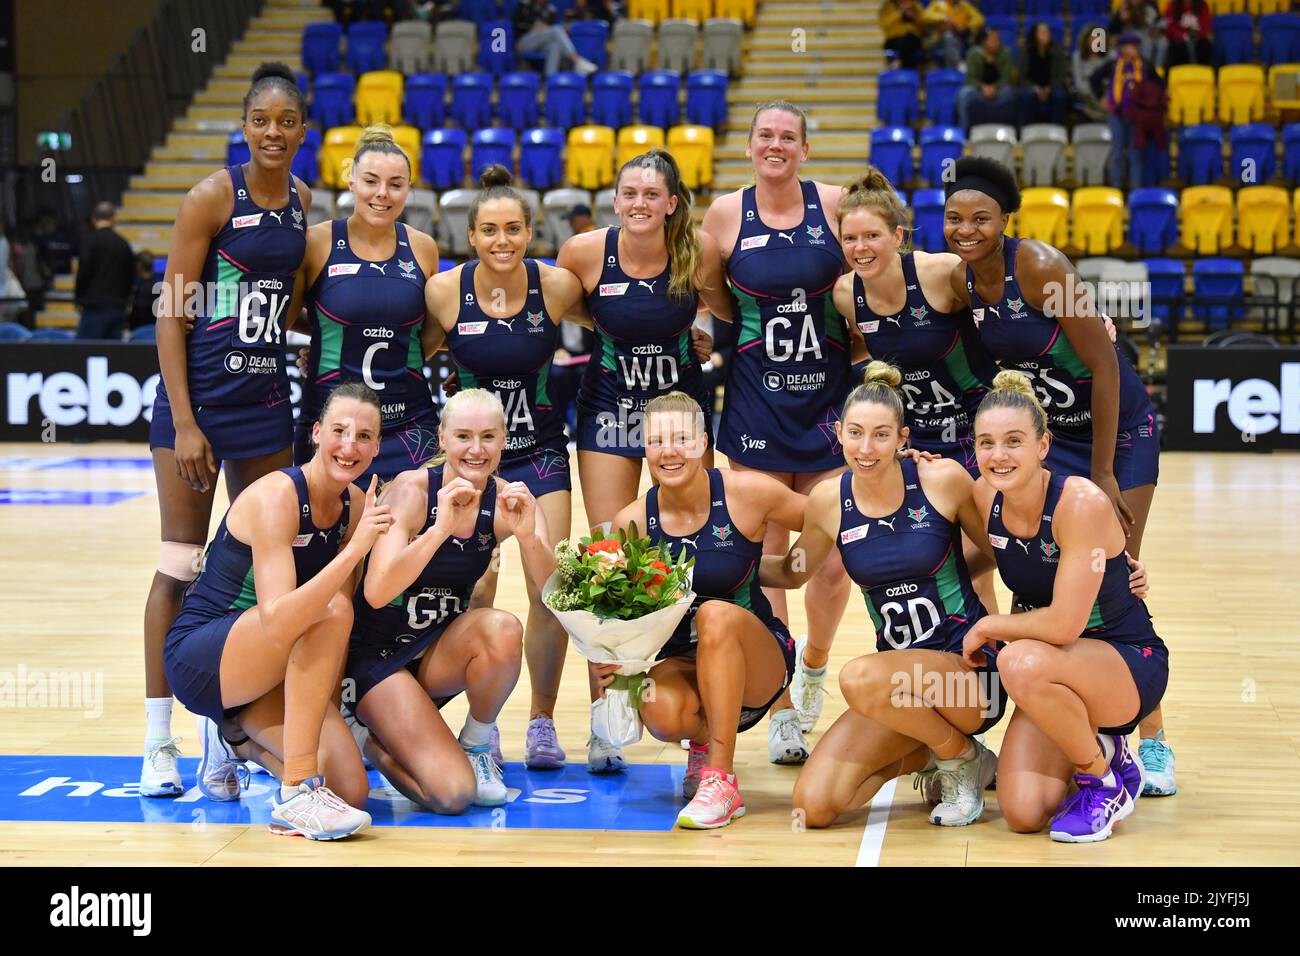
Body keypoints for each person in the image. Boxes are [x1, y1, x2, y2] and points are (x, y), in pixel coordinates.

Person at [944, 157, 1176, 795]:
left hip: (1115, 432)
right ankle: (1063, 701)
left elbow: (1105, 364)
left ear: (1005, 221)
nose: (967, 229)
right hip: (1050, 434)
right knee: (1046, 574)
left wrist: (1102, 469)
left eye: (981, 218)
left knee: (1120, 573)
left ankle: (1151, 739)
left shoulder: (1042, 267)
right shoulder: (963, 285)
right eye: (955, 218)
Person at [142, 62, 311, 798]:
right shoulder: (211, 197)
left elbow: (297, 306)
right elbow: (170, 310)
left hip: (267, 406)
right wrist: (184, 420)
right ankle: (157, 741)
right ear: (244, 127)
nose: (272, 132)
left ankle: (225, 733)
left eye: (286, 121)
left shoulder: (306, 204)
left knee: (251, 573)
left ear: (303, 131)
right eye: (260, 120)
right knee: (181, 565)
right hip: (201, 408)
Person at [768, 362, 1004, 828]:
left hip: (967, 678)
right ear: (838, 433)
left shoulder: (942, 480)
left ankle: (960, 758)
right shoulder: (827, 499)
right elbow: (794, 573)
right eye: (855, 433)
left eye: (881, 435)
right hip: (896, 690)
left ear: (903, 438)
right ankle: (945, 755)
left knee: (855, 678)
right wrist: (720, 562)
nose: (866, 447)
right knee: (814, 805)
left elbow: (1001, 551)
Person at [556, 149, 726, 770]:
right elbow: (569, 306)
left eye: (652, 194)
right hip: (609, 409)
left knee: (684, 554)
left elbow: (728, 309)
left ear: (672, 203)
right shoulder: (584, 252)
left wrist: (696, 338)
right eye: (629, 192)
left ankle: (696, 719)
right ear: (616, 198)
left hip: (678, 413)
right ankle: (606, 718)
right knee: (607, 560)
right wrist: (611, 328)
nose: (638, 203)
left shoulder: (699, 250)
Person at [164, 382, 389, 840]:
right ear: (316, 433)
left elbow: (330, 629)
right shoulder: (277, 497)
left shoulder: (356, 506)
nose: (349, 446)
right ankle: (294, 793)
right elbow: (283, 619)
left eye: (364, 436)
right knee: (328, 609)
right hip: (204, 657)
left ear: (377, 446)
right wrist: (356, 550)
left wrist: (320, 707)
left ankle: (233, 739)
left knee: (350, 788)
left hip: (273, 664)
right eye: (339, 431)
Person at [699, 101, 854, 764]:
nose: (776, 145)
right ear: (749, 146)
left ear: (805, 148)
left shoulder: (837, 204)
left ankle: (816, 664)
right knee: (764, 562)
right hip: (757, 408)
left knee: (832, 558)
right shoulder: (725, 215)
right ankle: (786, 705)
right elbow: (712, 298)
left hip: (829, 406)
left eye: (788, 136)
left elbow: (873, 278)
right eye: (766, 135)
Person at [424, 164, 587, 770]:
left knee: (552, 585)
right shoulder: (445, 291)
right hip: (471, 460)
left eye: (513, 229)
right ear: (471, 236)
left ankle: (542, 720)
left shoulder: (556, 286)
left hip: (541, 450)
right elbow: (413, 351)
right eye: (489, 230)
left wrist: (693, 341)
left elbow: (614, 324)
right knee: (478, 588)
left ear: (529, 232)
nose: (502, 241)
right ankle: (481, 723)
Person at [963, 371, 1168, 841]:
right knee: (1023, 811)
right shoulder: (984, 493)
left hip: (1124, 660)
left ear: (1043, 445)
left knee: (1017, 656)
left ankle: (1103, 780)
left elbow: (1064, 625)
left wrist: (988, 625)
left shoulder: (1080, 502)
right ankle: (1106, 749)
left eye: (1014, 441)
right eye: (986, 442)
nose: (998, 455)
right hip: (1052, 671)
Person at [601, 392, 805, 829]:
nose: (669, 450)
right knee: (656, 707)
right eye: (657, 440)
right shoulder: (631, 522)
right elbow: (609, 610)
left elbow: (829, 516)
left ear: (703, 442)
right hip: (685, 661)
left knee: (713, 613)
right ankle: (701, 745)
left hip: (758, 665)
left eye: (681, 438)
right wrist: (612, 660)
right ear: (644, 449)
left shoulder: (747, 492)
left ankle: (721, 778)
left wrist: (792, 569)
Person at [347, 388, 555, 810]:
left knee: (503, 628)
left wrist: (530, 536)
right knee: (452, 795)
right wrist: (440, 529)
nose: (475, 450)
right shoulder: (412, 491)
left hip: (434, 655)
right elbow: (377, 590)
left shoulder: (509, 499)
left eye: (488, 437)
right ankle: (363, 733)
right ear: (442, 438)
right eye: (462, 436)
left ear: (504, 439)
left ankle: (477, 745)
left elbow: (555, 596)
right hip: (377, 661)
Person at [832, 169, 1001, 621]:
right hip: (918, 442)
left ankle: (992, 673)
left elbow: (1008, 304)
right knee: (935, 560)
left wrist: (1089, 318)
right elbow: (876, 345)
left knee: (981, 564)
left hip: (977, 434)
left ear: (898, 235)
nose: (860, 248)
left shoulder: (940, 272)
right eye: (850, 238)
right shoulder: (847, 294)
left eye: (872, 235)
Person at [294, 124, 442, 486]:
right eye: (371, 181)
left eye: (396, 184)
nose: (382, 194)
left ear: (409, 188)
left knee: (411, 536)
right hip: (334, 425)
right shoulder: (316, 242)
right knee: (328, 537)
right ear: (351, 182)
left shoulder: (423, 248)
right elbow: (284, 314)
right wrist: (327, 338)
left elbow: (432, 330)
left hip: (409, 426)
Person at [1092, 34, 1166, 190]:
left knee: (1135, 154)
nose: (1133, 50)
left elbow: (1160, 85)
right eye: (1129, 46)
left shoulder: (1146, 66)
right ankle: (1116, 189)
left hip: (1137, 116)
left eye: (1135, 47)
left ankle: (1136, 189)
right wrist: (1101, 98)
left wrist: (1148, 101)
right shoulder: (1113, 65)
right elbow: (1094, 78)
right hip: (1116, 114)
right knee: (1117, 153)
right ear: (1122, 49)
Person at [74, 202, 136, 340]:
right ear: (114, 218)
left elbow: (83, 272)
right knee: (113, 354)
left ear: (93, 219)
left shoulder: (89, 242)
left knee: (85, 354)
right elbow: (130, 276)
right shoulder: (123, 243)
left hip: (93, 306)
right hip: (117, 305)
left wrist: (78, 298)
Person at [514, 0, 599, 75]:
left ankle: (550, 78)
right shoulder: (524, 5)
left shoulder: (551, 9)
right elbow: (516, 24)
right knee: (557, 30)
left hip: (543, 42)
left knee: (555, 45)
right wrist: (532, 26)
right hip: (525, 42)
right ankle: (577, 61)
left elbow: (551, 31)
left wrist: (544, 28)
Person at [958, 27, 1018, 131]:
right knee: (964, 94)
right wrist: (982, 87)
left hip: (999, 90)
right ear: (984, 42)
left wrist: (995, 87)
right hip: (979, 90)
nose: (996, 41)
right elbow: (971, 78)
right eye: (992, 39)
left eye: (997, 39)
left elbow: (1006, 77)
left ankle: (1013, 132)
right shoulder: (974, 54)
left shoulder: (1005, 53)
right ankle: (963, 131)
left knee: (1010, 92)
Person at [1017, 22, 1069, 128]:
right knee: (1028, 95)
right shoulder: (1026, 51)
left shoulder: (1057, 50)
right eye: (1042, 32)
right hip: (1031, 86)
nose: (1046, 34)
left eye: (1047, 31)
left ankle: (1057, 129)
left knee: (1059, 96)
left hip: (1052, 86)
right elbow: (1022, 75)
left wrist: (1049, 88)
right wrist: (1035, 88)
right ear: (1035, 34)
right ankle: (1028, 130)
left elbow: (1060, 75)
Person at [922, 0, 986, 69]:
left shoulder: (964, 5)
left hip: (960, 35)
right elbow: (926, 15)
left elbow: (979, 19)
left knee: (978, 37)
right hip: (941, 37)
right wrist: (945, 18)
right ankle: (957, 67)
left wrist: (966, 26)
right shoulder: (939, 3)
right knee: (949, 36)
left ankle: (976, 66)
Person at [1162, 0, 1212, 69]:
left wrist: (1197, 34)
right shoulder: (1172, 6)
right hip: (1179, 38)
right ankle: (1180, 71)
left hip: (1198, 36)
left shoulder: (1202, 5)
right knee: (1178, 46)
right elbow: (1169, 26)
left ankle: (1204, 71)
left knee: (1204, 44)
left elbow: (1206, 24)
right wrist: (1182, 35)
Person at [881, 0, 927, 71]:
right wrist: (900, 13)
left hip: (912, 39)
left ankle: (899, 61)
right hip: (894, 39)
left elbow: (923, 25)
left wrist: (914, 14)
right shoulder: (888, 7)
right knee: (905, 44)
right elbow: (885, 25)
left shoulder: (915, 6)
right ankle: (903, 65)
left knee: (909, 39)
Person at [128, 252, 160, 334]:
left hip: (140, 331)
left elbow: (137, 313)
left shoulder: (138, 287)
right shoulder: (159, 285)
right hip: (158, 330)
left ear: (139, 266)